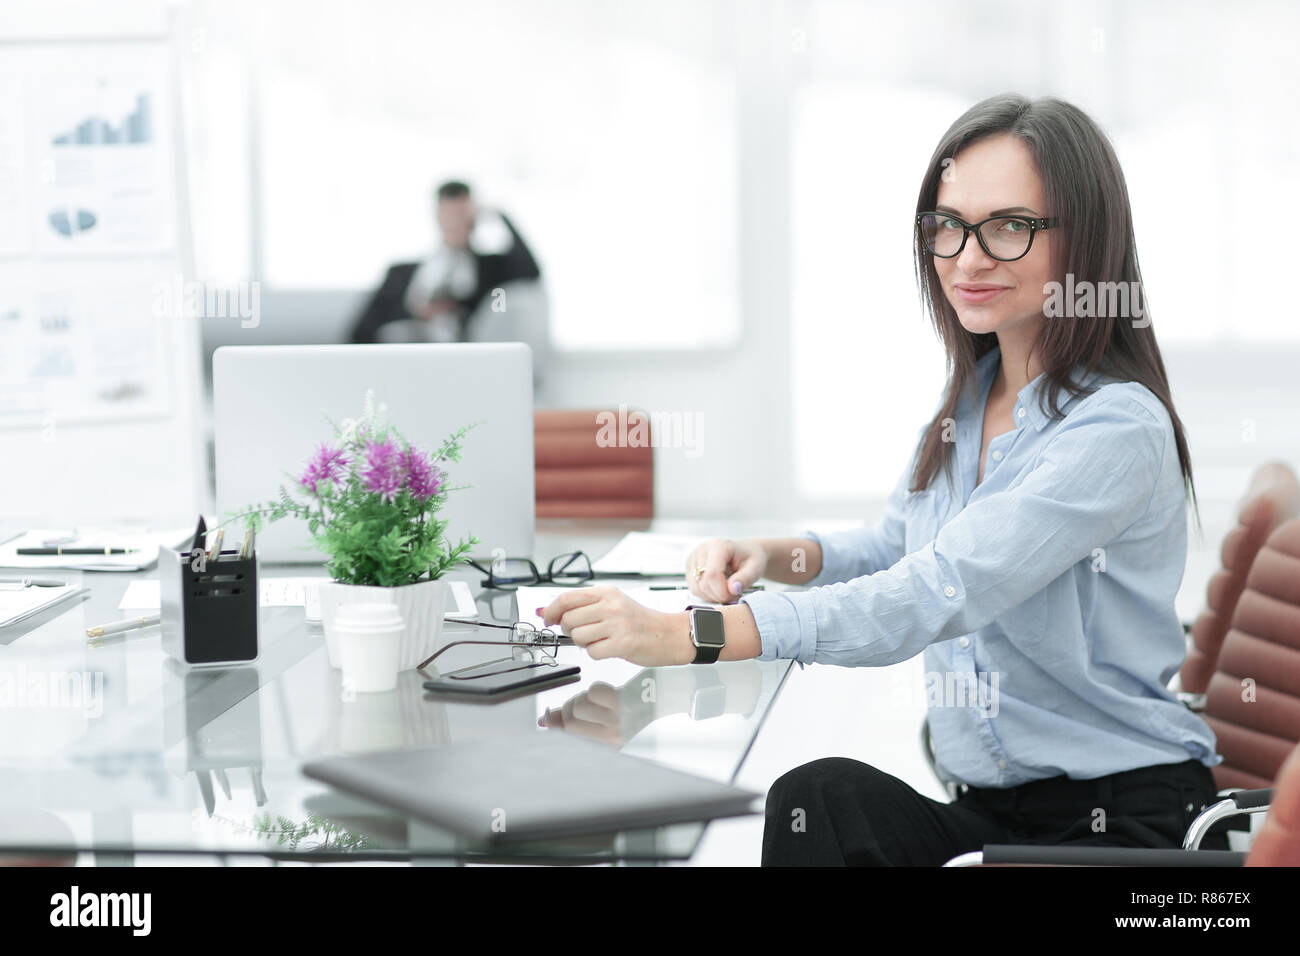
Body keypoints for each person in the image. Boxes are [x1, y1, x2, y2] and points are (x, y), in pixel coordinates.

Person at [538, 93, 1229, 865]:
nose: (967, 259)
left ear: (1086, 243)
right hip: (993, 817)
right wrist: (773, 553)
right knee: (820, 799)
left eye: (1008, 227)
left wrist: (685, 635)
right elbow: (897, 543)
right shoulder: (975, 395)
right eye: (949, 226)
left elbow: (937, 588)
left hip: (1117, 829)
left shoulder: (1115, 429)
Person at [349, 180, 542, 345]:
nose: (455, 223)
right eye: (449, 216)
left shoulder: (491, 268)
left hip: (458, 357)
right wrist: (417, 313)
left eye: (461, 215)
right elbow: (360, 332)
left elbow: (531, 270)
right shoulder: (401, 272)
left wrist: (499, 215)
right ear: (438, 216)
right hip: (403, 353)